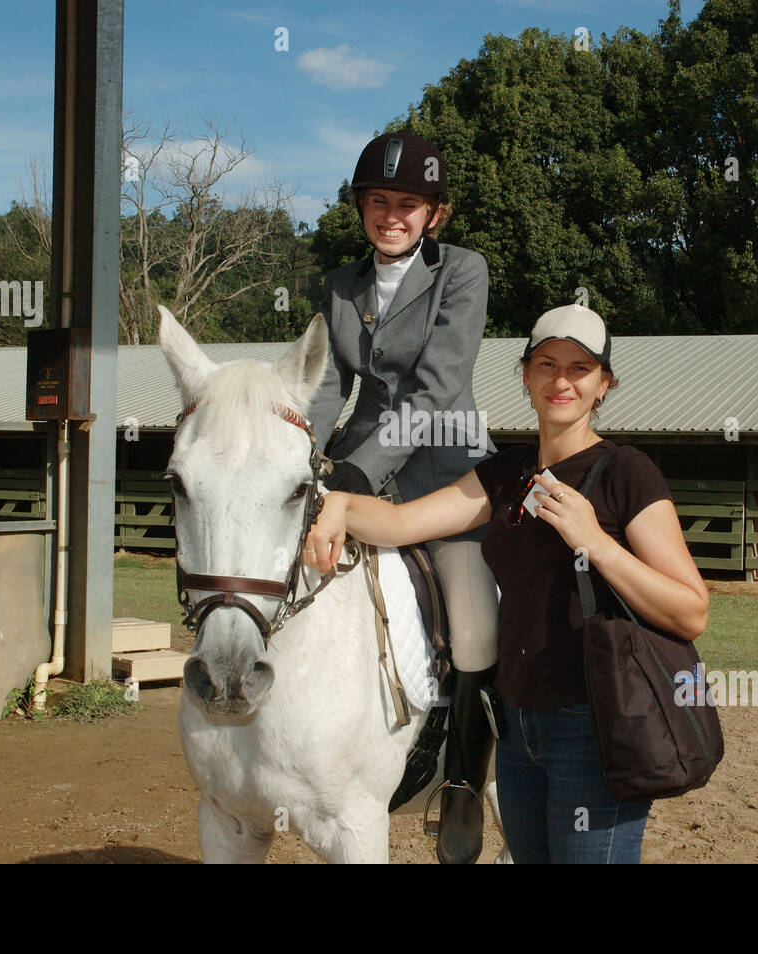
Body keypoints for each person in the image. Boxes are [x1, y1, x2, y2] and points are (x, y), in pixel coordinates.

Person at [303, 305, 710, 863]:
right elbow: (401, 523)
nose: (561, 380)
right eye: (546, 364)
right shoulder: (506, 474)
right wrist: (339, 503)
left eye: (580, 368)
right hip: (515, 731)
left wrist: (593, 539)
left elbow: (690, 612)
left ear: (603, 385)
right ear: (525, 375)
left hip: (591, 727)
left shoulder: (626, 473)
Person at [305, 130, 501, 864]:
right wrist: (310, 462)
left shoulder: (463, 273)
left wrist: (356, 473)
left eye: (408, 204)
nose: (392, 215)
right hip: (353, 465)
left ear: (434, 214)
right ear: (361, 207)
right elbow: (328, 386)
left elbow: (439, 389)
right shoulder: (338, 282)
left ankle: (460, 788)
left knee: (476, 626)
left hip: (443, 471)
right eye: (379, 201)